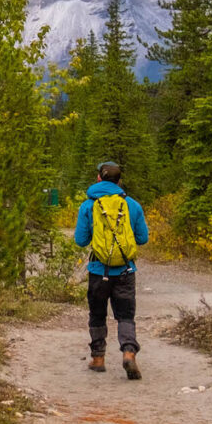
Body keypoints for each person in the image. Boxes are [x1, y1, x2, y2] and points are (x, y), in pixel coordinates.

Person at [73, 160, 149, 377]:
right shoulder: (132, 205)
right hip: (126, 270)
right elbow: (142, 238)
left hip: (98, 270)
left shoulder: (88, 205)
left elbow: (80, 240)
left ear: (99, 178)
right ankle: (128, 353)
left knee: (97, 314)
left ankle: (98, 359)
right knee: (125, 315)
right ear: (119, 181)